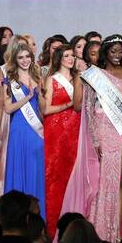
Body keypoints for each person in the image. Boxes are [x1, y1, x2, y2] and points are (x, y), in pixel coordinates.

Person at [68, 35, 122, 243]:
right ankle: (101, 230)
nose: (118, 55)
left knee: (121, 180)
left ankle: (118, 231)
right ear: (106, 52)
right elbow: (89, 108)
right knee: (103, 181)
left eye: (121, 51)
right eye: (114, 51)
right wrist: (94, 139)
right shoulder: (94, 75)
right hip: (103, 129)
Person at [41, 42, 82, 230]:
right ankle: (54, 224)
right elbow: (46, 109)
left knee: (74, 174)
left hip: (76, 130)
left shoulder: (78, 78)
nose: (71, 58)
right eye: (66, 56)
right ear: (59, 59)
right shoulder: (52, 80)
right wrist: (68, 105)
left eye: (72, 55)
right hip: (57, 132)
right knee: (56, 175)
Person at [2, 40, 46, 204]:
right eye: (21, 57)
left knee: (35, 169)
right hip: (19, 130)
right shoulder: (9, 81)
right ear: (15, 60)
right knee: (20, 168)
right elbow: (8, 108)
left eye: (27, 56)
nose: (25, 60)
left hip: (36, 131)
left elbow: (42, 107)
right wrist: (27, 97)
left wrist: (40, 95)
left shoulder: (38, 77)